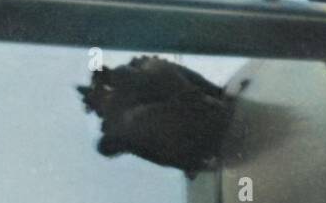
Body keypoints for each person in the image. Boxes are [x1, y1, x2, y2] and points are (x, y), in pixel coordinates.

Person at [78, 56, 232, 176]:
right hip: (199, 136)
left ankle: (217, 99)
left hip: (203, 113)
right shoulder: (119, 126)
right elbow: (149, 153)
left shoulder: (126, 78)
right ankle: (216, 101)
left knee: (154, 67)